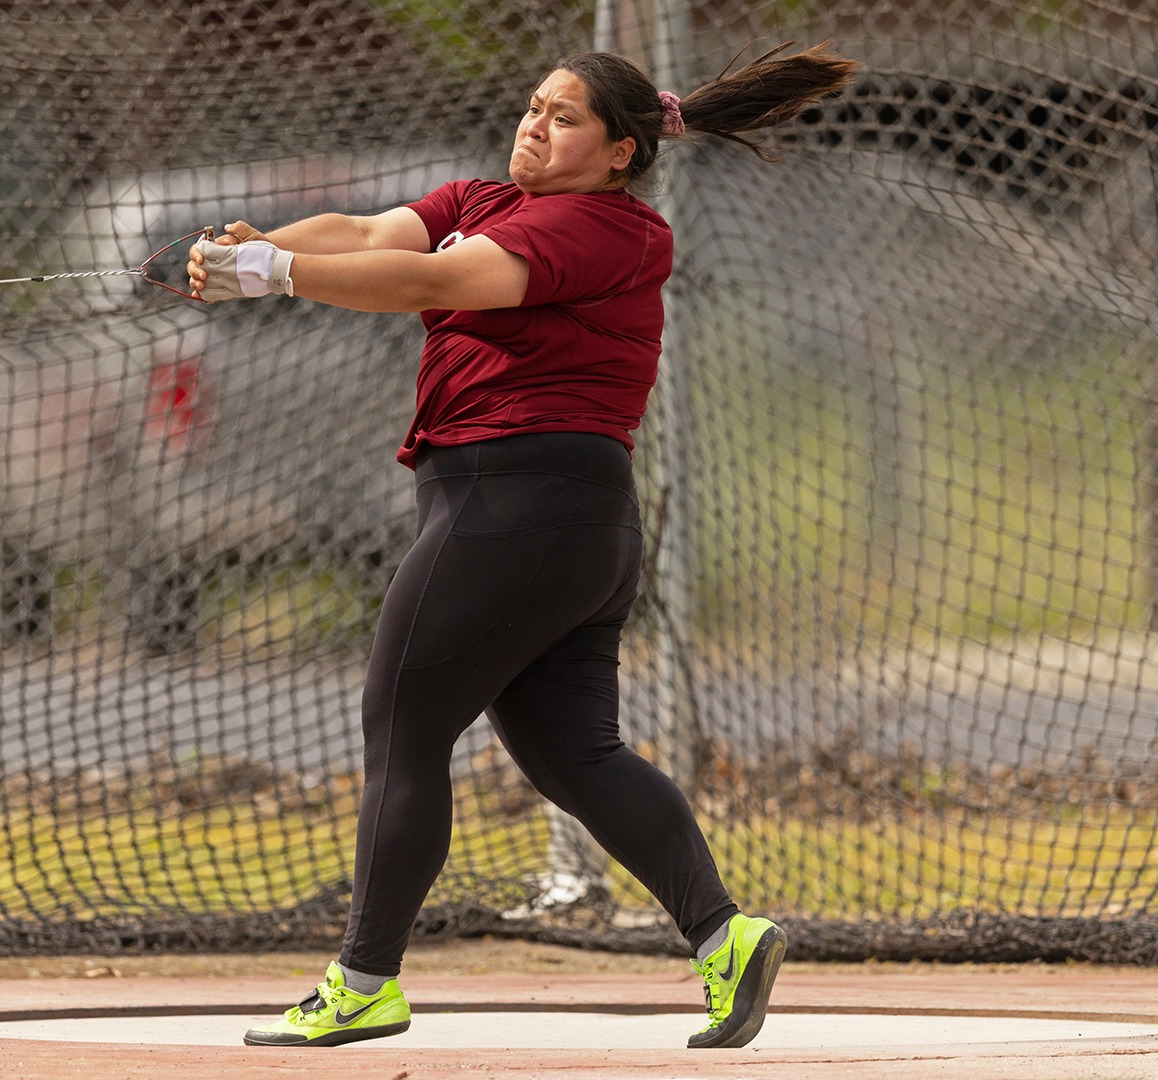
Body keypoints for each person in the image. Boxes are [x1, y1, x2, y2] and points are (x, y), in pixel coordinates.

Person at [188, 43, 857, 1049]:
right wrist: (255, 245)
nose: (536, 126)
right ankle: (726, 938)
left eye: (566, 118)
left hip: (518, 508)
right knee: (573, 754)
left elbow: (429, 274)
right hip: (556, 521)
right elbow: (370, 229)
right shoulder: (485, 197)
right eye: (535, 107)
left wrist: (277, 274)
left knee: (402, 727)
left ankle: (365, 980)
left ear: (619, 152)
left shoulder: (607, 228)